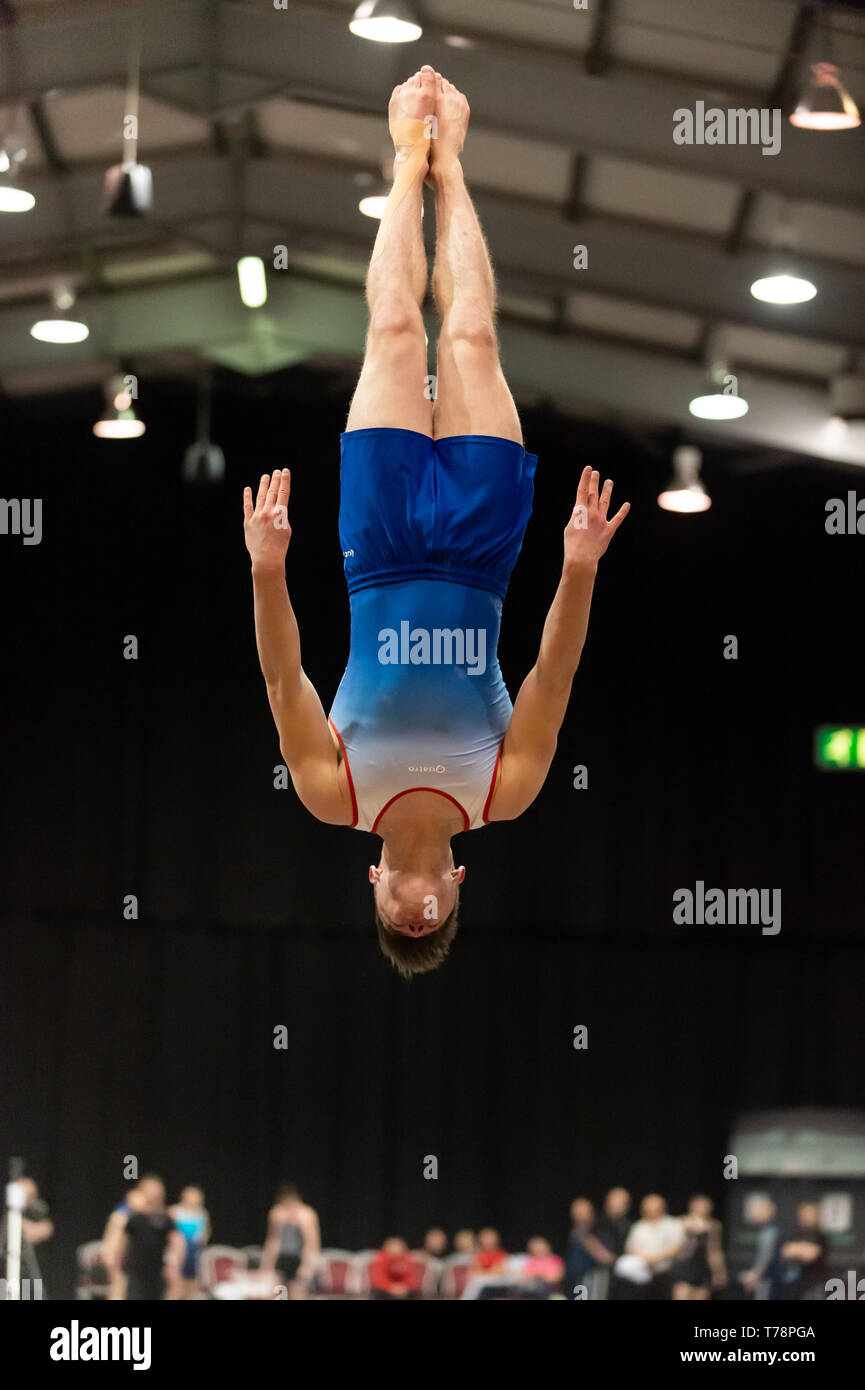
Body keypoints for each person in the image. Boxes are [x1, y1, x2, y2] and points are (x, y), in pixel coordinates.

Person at [243, 66, 629, 977]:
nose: (414, 914)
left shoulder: (334, 795)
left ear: (371, 881)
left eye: (396, 920)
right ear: (459, 883)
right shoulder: (507, 789)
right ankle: (449, 165)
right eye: (432, 922)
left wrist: (266, 571)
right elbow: (553, 675)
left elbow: (282, 678)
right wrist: (577, 570)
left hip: (375, 550)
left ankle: (402, 164)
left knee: (392, 332)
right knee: (471, 339)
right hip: (481, 555)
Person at [119, 1176, 184, 1301]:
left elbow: (177, 1242)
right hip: (135, 1272)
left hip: (158, 1273)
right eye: (149, 1190)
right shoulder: (134, 1218)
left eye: (155, 1190)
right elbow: (123, 1242)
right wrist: (119, 1265)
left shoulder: (166, 1219)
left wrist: (173, 1264)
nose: (153, 1194)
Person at [260, 1182, 321, 1300]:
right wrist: (267, 1265)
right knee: (273, 1293)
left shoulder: (306, 1215)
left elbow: (312, 1245)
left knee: (296, 1293)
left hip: (299, 1259)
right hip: (283, 1258)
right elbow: (273, 1241)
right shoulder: (277, 1213)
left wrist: (307, 1267)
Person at [623, 1194, 684, 1300]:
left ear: (662, 1207)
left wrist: (656, 1258)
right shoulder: (638, 1227)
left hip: (667, 1274)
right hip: (642, 1275)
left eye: (655, 1205)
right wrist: (645, 1259)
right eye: (647, 1205)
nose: (651, 1208)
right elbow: (630, 1249)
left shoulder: (673, 1224)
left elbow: (678, 1246)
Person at [0, 1175, 53, 1296]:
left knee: (30, 1293)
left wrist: (25, 1227)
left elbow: (46, 1229)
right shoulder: (10, 1214)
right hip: (7, 1267)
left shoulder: (37, 1210)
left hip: (29, 1270)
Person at [671, 1194, 727, 1300]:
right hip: (685, 1266)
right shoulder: (681, 1222)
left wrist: (719, 1272)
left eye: (705, 1206)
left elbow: (714, 1251)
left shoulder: (714, 1226)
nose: (702, 1208)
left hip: (702, 1267)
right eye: (699, 1205)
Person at [775, 1202, 828, 1301]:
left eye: (810, 1215)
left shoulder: (821, 1236)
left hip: (814, 1284)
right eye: (804, 1215)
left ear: (817, 1216)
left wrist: (797, 1248)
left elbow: (810, 1256)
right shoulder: (795, 1234)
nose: (807, 1218)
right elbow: (785, 1252)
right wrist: (803, 1249)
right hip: (795, 1285)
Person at [169, 1185, 211, 1299]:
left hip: (195, 1255)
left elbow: (206, 1232)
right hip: (178, 1256)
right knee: (177, 1287)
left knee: (192, 1288)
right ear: (184, 1196)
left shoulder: (203, 1213)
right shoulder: (174, 1211)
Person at [591, 1187, 633, 1299]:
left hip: (624, 1276)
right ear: (606, 1203)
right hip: (599, 1272)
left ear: (627, 1206)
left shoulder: (630, 1226)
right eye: (613, 1202)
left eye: (621, 1203)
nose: (616, 1206)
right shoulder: (596, 1223)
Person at [740, 1196, 783, 1301]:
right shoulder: (768, 1230)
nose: (752, 1214)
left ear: (768, 1211)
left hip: (768, 1280)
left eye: (757, 1210)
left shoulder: (770, 1232)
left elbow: (766, 1256)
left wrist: (755, 1276)